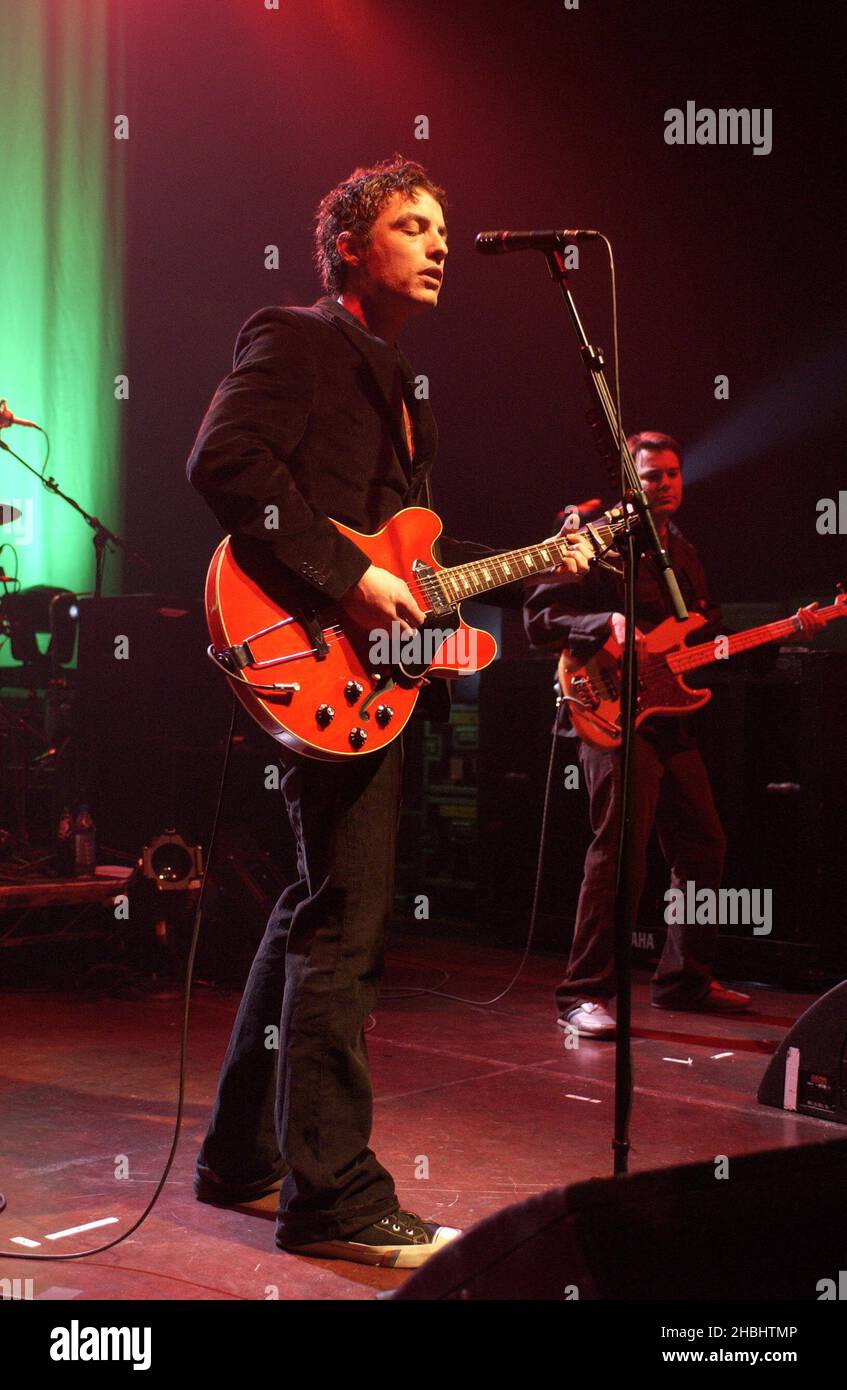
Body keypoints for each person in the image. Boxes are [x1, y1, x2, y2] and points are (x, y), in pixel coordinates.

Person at [186, 156, 593, 1264]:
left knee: (313, 904)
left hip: (364, 673)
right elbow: (225, 462)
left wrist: (549, 558)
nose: (439, 242)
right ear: (348, 246)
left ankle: (238, 1154)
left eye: (442, 227)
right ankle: (335, 1198)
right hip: (310, 651)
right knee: (345, 922)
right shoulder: (298, 334)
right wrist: (341, 579)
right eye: (412, 224)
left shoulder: (401, 391)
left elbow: (413, 563)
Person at [524, 432, 752, 1039]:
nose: (666, 485)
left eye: (673, 474)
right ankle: (582, 993)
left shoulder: (682, 550)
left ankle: (684, 980)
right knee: (620, 850)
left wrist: (784, 632)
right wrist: (604, 621)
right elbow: (539, 620)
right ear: (629, 480)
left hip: (671, 716)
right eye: (653, 476)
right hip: (609, 711)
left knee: (703, 843)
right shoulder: (592, 535)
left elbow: (708, 637)